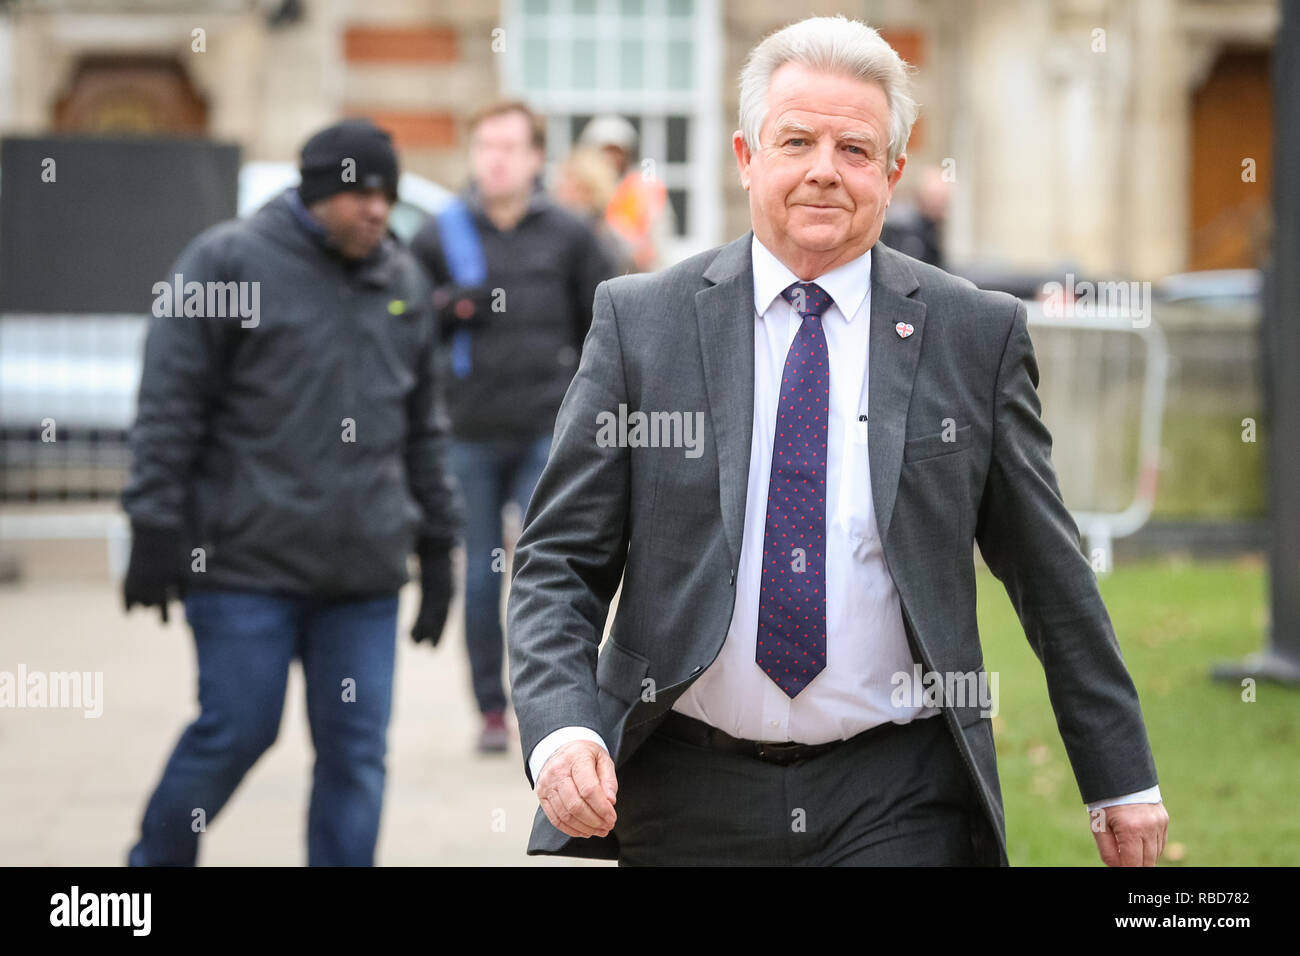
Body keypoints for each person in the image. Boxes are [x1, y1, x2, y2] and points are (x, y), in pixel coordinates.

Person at [506, 15, 1168, 866]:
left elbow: (1050, 573)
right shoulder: (642, 326)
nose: (825, 170)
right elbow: (558, 561)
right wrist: (561, 729)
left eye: (855, 150)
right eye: (797, 141)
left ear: (893, 173)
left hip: (895, 790)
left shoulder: (974, 336)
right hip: (682, 785)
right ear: (747, 158)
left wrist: (1120, 778)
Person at [121, 118, 462, 866]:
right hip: (245, 566)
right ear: (316, 191)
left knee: (356, 757)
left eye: (388, 195)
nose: (377, 209)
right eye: (360, 193)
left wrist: (439, 547)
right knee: (236, 730)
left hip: (363, 576)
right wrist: (153, 526)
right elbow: (168, 404)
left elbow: (424, 429)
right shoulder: (225, 262)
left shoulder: (401, 279)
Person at [409, 100, 616, 754]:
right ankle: (491, 711)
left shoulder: (571, 234)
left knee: (544, 571)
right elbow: (398, 315)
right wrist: (446, 306)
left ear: (534, 158)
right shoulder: (440, 234)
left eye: (509, 146)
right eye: (485, 146)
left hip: (547, 434)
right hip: (467, 432)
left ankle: (552, 706)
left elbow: (606, 327)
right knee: (479, 575)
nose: (495, 158)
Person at [579, 114, 677, 272]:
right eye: (605, 151)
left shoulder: (644, 187)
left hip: (634, 274)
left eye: (617, 151)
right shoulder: (578, 189)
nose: (611, 158)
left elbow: (659, 242)